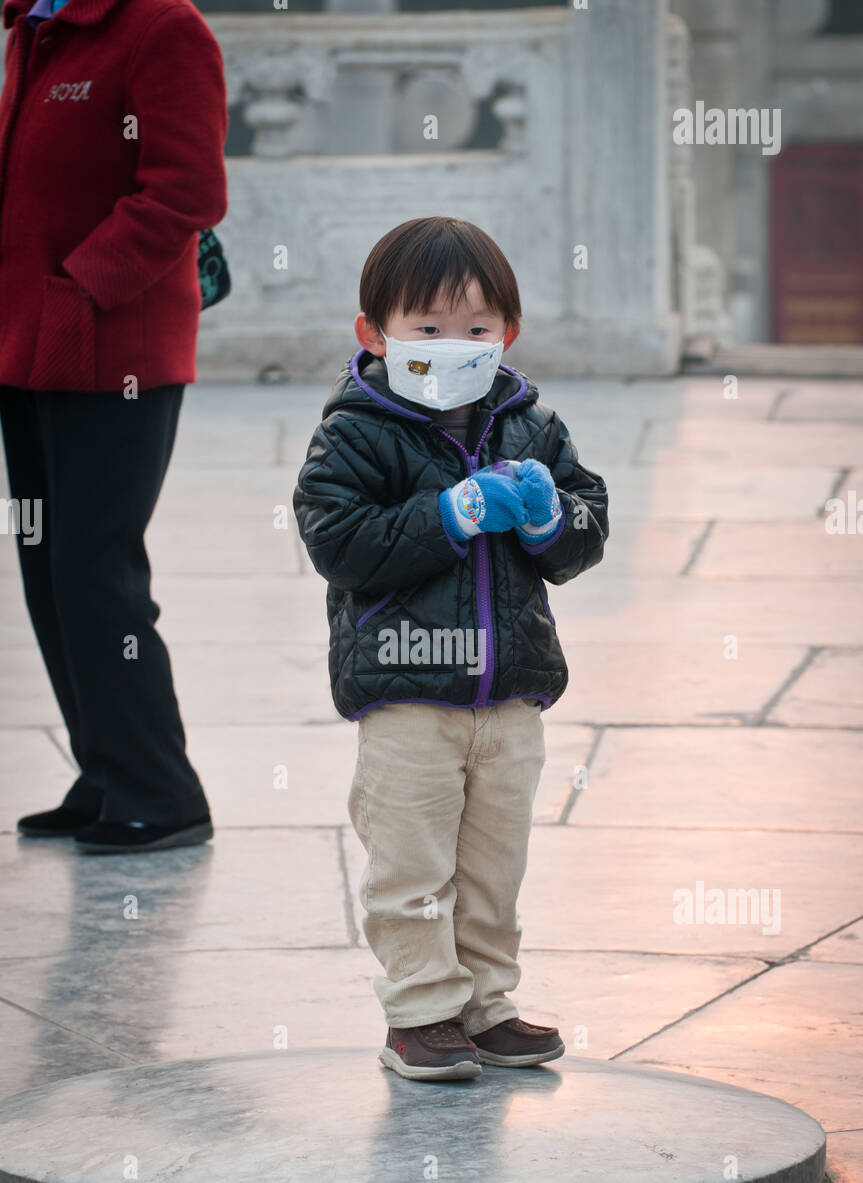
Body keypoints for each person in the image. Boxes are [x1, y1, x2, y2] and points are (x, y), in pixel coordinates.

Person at [293, 216, 609, 1082]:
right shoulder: (356, 430)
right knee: (412, 865)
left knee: (492, 867)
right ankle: (422, 1012)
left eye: (475, 329)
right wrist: (451, 513)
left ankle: (486, 1005)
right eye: (426, 329)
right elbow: (339, 541)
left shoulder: (529, 422)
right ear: (375, 334)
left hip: (509, 696)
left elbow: (585, 531)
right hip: (405, 695)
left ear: (507, 333)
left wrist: (553, 519)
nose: (454, 346)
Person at [0, 0, 228, 853]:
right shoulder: (33, 28)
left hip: (117, 357)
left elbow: (188, 191)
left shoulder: (163, 27)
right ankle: (104, 772)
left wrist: (81, 286)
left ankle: (160, 792)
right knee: (50, 575)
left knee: (98, 575)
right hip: (26, 352)